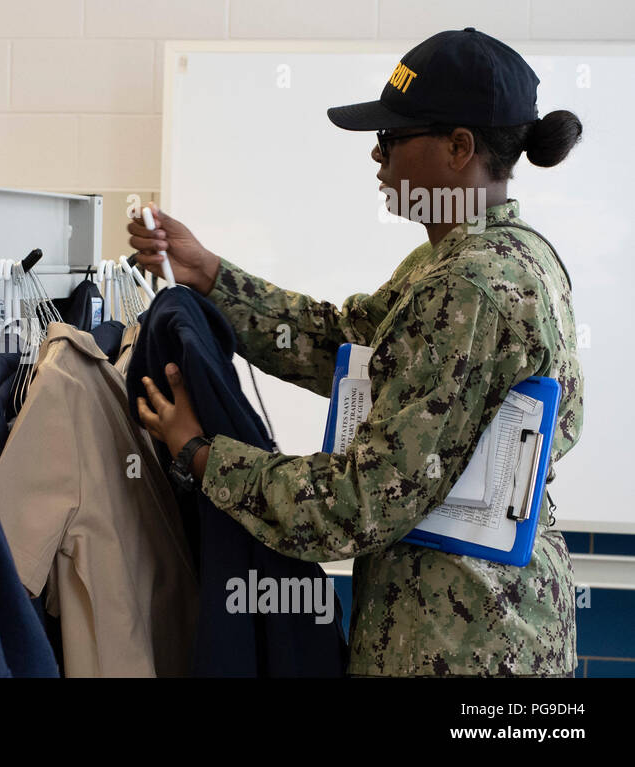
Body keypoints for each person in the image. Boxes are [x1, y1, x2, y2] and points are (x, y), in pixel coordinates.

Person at [129, 28, 584, 677]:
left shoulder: (473, 286)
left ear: (459, 148)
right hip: (458, 632)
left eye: (393, 137)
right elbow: (343, 344)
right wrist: (209, 275)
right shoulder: (473, 258)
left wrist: (203, 457)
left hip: (465, 651)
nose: (377, 155)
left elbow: (362, 501)